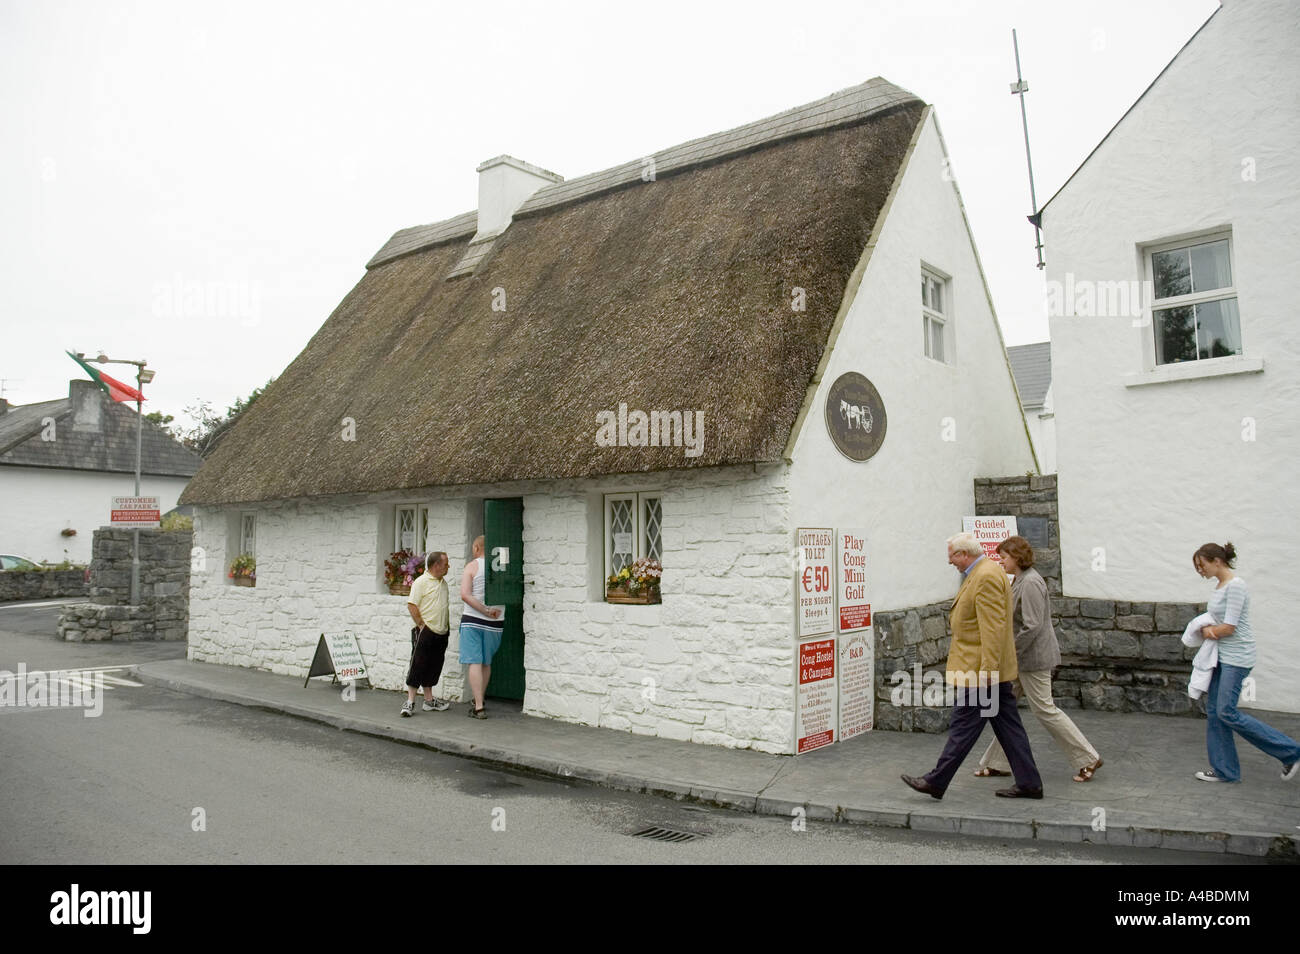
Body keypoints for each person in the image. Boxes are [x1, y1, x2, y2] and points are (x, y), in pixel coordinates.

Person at [901, 532, 1044, 800]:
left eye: (952, 557)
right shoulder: (984, 571)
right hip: (989, 670)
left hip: (981, 671)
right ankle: (1029, 783)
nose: (950, 562)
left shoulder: (986, 575)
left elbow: (993, 628)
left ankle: (936, 781)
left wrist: (988, 671)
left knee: (963, 726)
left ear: (963, 554)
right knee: (1009, 728)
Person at [974, 536, 1103, 782]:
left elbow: (1032, 626)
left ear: (1016, 557)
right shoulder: (1022, 580)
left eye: (1004, 557)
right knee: (1004, 711)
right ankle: (998, 762)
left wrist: (1008, 653)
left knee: (1045, 709)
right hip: (1022, 659)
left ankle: (1088, 758)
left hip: (1033, 659)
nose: (1000, 562)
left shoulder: (1030, 582)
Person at [1190, 542, 1299, 783]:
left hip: (1237, 658)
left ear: (1217, 561)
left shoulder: (1236, 586)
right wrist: (1209, 628)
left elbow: (1229, 627)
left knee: (1226, 712)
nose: (1200, 571)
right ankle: (1225, 771)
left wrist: (1208, 631)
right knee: (1216, 713)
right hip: (1222, 656)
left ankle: (1291, 751)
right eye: (1197, 567)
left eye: (1202, 565)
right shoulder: (1220, 586)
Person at [402, 552, 452, 716]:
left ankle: (429, 701)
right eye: (446, 564)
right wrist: (422, 625)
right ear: (436, 565)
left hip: (441, 632)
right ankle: (410, 702)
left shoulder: (443, 583)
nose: (448, 567)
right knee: (418, 664)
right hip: (425, 631)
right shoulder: (420, 582)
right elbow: (412, 605)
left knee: (434, 665)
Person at [459, 535, 503, 719]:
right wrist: (492, 611)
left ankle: (478, 706)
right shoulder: (501, 567)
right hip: (496, 621)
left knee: (474, 661)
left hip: (473, 619)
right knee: (486, 662)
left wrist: (484, 610)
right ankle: (481, 699)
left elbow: (465, 595)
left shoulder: (472, 566)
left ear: (477, 548)